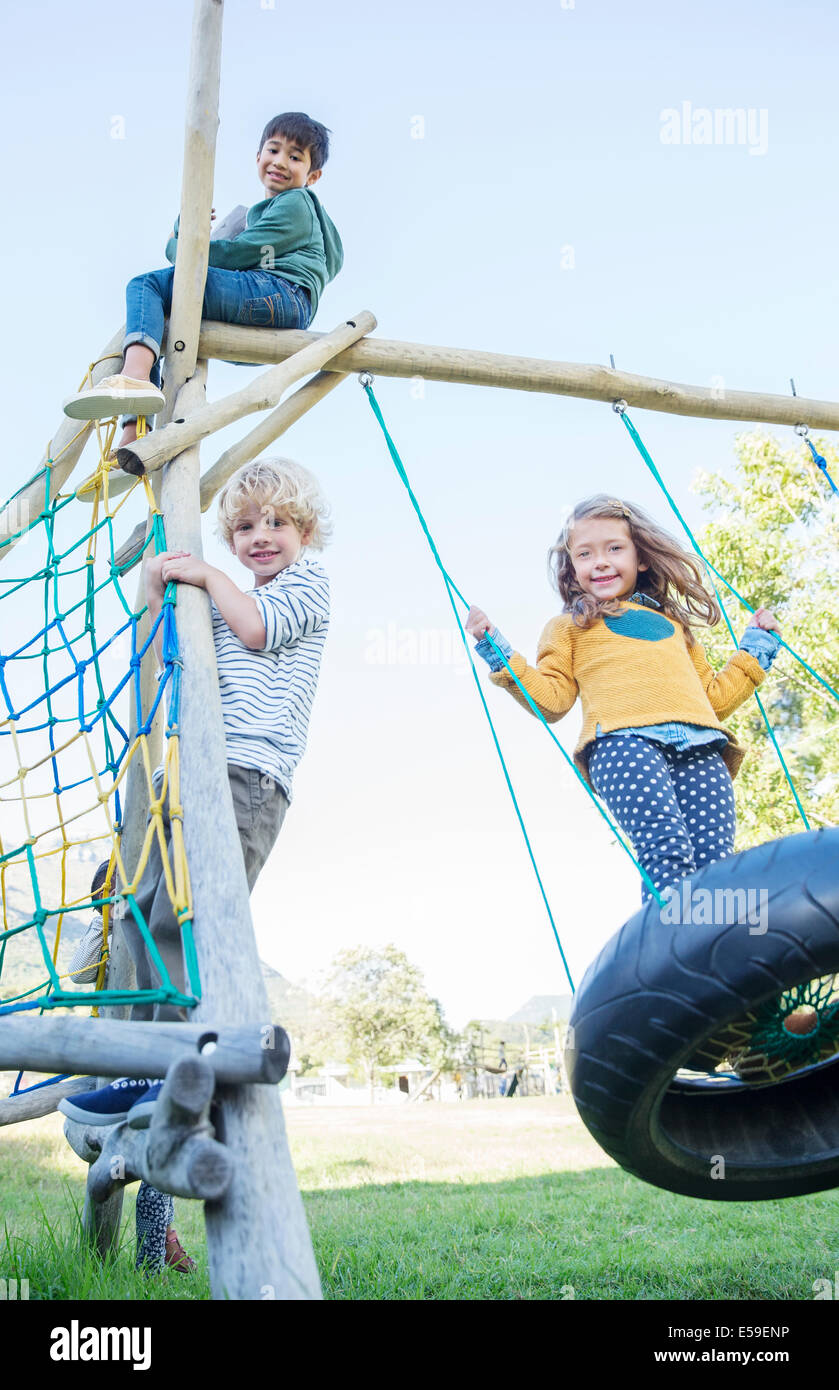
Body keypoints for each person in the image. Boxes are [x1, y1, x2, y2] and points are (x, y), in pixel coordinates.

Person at [59, 454, 332, 1274]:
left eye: (274, 524)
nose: (259, 538)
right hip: (184, 771)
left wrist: (204, 572)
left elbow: (250, 628)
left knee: (191, 922)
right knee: (139, 909)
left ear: (305, 533)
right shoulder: (219, 589)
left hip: (247, 779)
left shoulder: (304, 585)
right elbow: (165, 654)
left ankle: (161, 1077)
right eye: (243, 526)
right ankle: (134, 1065)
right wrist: (154, 588)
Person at [465, 494, 782, 904]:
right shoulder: (568, 628)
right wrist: (497, 649)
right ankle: (670, 950)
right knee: (667, 851)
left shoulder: (675, 629)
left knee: (714, 869)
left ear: (641, 557)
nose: (599, 561)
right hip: (624, 743)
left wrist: (756, 647)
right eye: (585, 553)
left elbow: (713, 701)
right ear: (572, 567)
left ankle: (714, 957)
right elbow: (551, 700)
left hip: (702, 746)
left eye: (614, 548)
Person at [62, 112, 343, 465]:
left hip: (278, 293)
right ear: (258, 157)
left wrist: (180, 241)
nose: (280, 162)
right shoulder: (275, 210)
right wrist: (190, 242)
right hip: (277, 303)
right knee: (164, 323)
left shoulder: (296, 204)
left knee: (146, 285)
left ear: (312, 176)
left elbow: (231, 254)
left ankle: (133, 379)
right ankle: (135, 429)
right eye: (273, 150)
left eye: (295, 157)